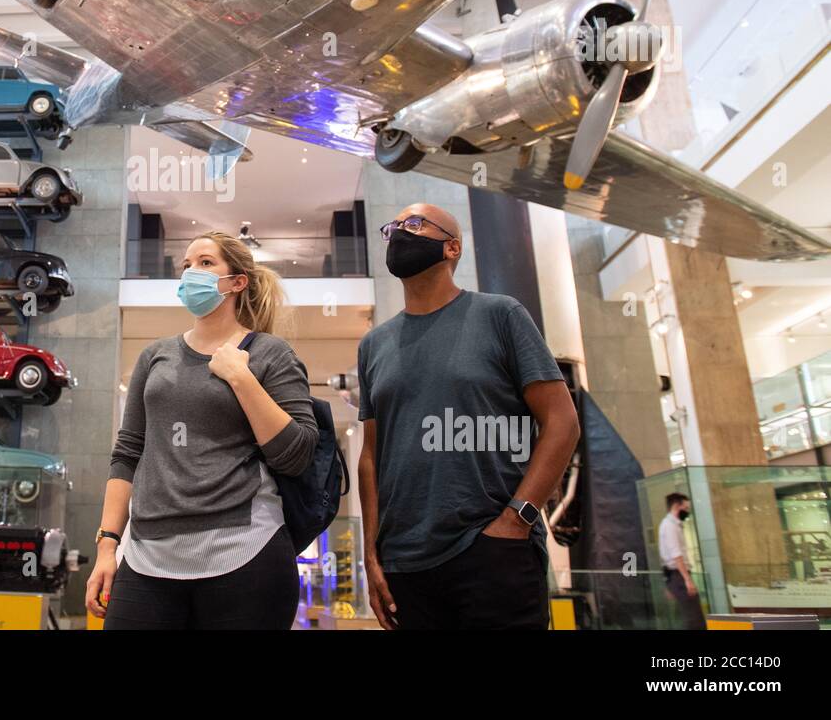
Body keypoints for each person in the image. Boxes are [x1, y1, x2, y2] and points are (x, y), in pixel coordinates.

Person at [359, 203, 580, 630]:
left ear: (452, 248)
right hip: (404, 562)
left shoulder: (501, 315)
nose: (401, 232)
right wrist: (371, 555)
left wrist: (519, 519)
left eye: (416, 224)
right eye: (395, 227)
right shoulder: (374, 345)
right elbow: (371, 456)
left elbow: (562, 422)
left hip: (493, 548)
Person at [85, 231, 318, 629]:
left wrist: (241, 379)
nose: (192, 271)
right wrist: (108, 545)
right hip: (146, 556)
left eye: (206, 263)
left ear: (238, 281)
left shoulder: (269, 353)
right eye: (187, 264)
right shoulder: (155, 355)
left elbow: (296, 454)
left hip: (245, 552)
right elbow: (127, 453)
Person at [658, 492, 705, 629]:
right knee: (694, 618)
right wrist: (687, 579)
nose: (687, 511)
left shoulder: (672, 525)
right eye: (686, 508)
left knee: (691, 616)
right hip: (679, 576)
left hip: (676, 576)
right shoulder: (670, 526)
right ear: (677, 506)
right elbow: (676, 555)